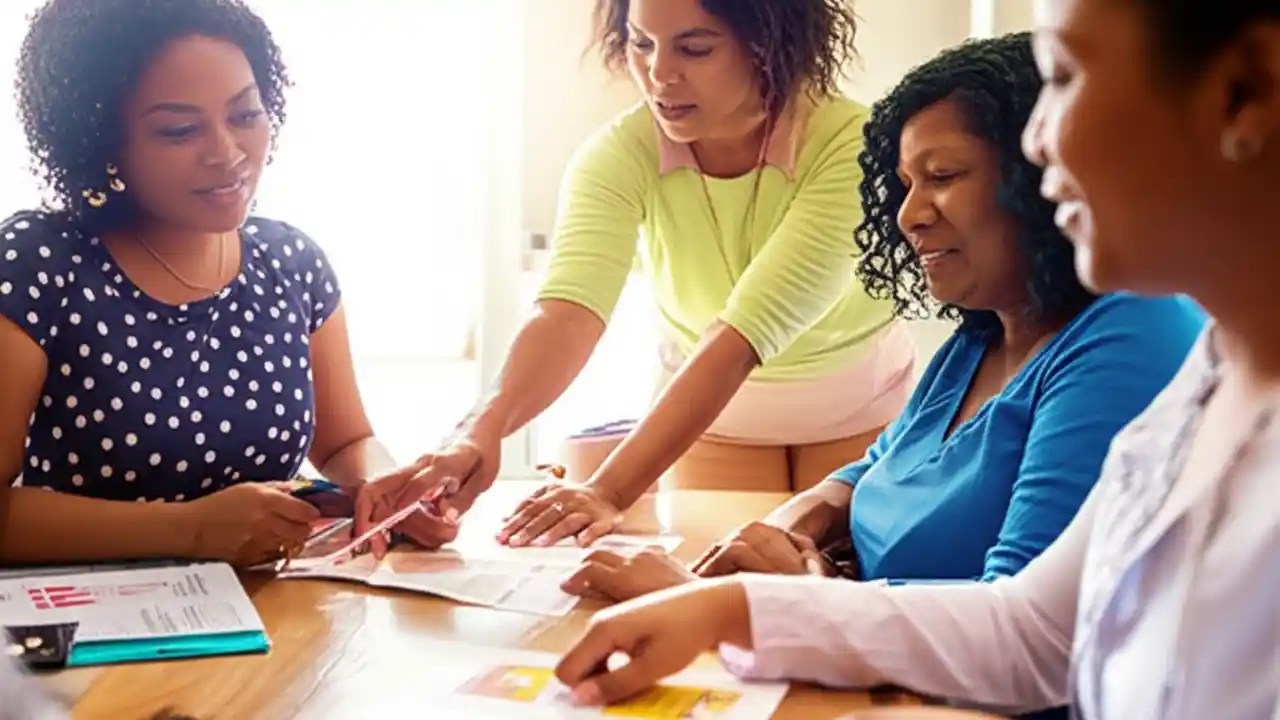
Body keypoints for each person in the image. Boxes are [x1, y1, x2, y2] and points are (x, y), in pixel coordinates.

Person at [550, 1, 1280, 717]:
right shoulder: (1205, 371)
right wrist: (731, 603)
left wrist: (736, 599)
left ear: (1247, 89)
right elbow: (1036, 631)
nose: (1041, 143)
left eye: (1063, 79)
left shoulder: (1139, 335)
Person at [359, 0, 919, 553]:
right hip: (714, 421)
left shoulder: (855, 145)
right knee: (715, 586)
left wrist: (607, 488)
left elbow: (747, 332)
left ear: (769, 46)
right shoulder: (618, 154)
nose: (659, 73)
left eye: (694, 48)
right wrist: (481, 427)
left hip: (856, 408)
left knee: (840, 581)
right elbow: (567, 312)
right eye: (641, 43)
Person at [0, 0, 451, 568]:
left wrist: (388, 487)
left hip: (271, 626)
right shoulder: (38, 265)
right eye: (179, 130)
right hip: (87, 636)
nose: (227, 153)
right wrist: (187, 529)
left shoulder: (290, 264)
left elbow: (344, 444)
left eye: (244, 115)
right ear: (101, 141)